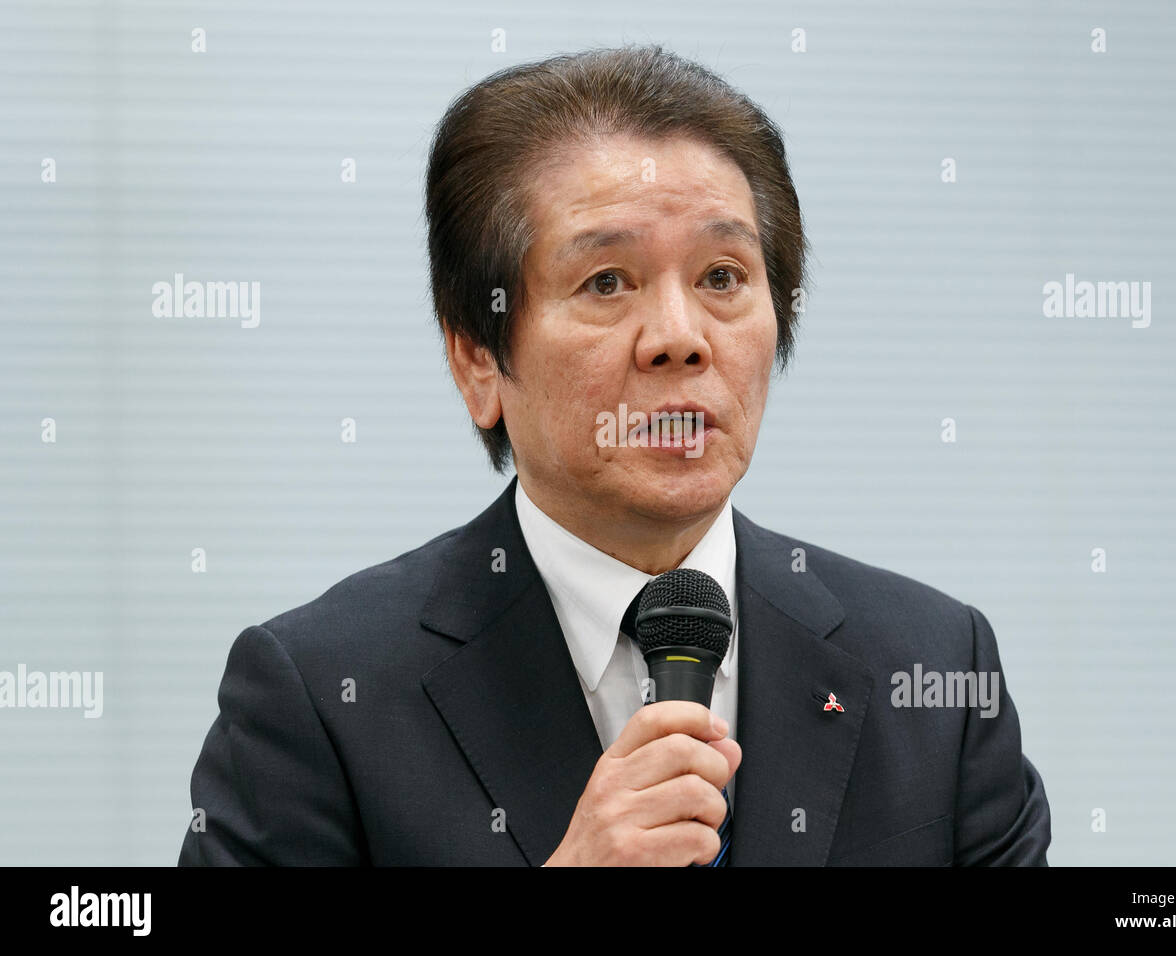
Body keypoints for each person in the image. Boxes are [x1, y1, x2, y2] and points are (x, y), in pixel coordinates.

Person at [178, 44, 1050, 866]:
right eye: (606, 282)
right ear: (478, 358)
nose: (680, 339)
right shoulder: (321, 695)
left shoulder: (935, 664)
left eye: (721, 278)